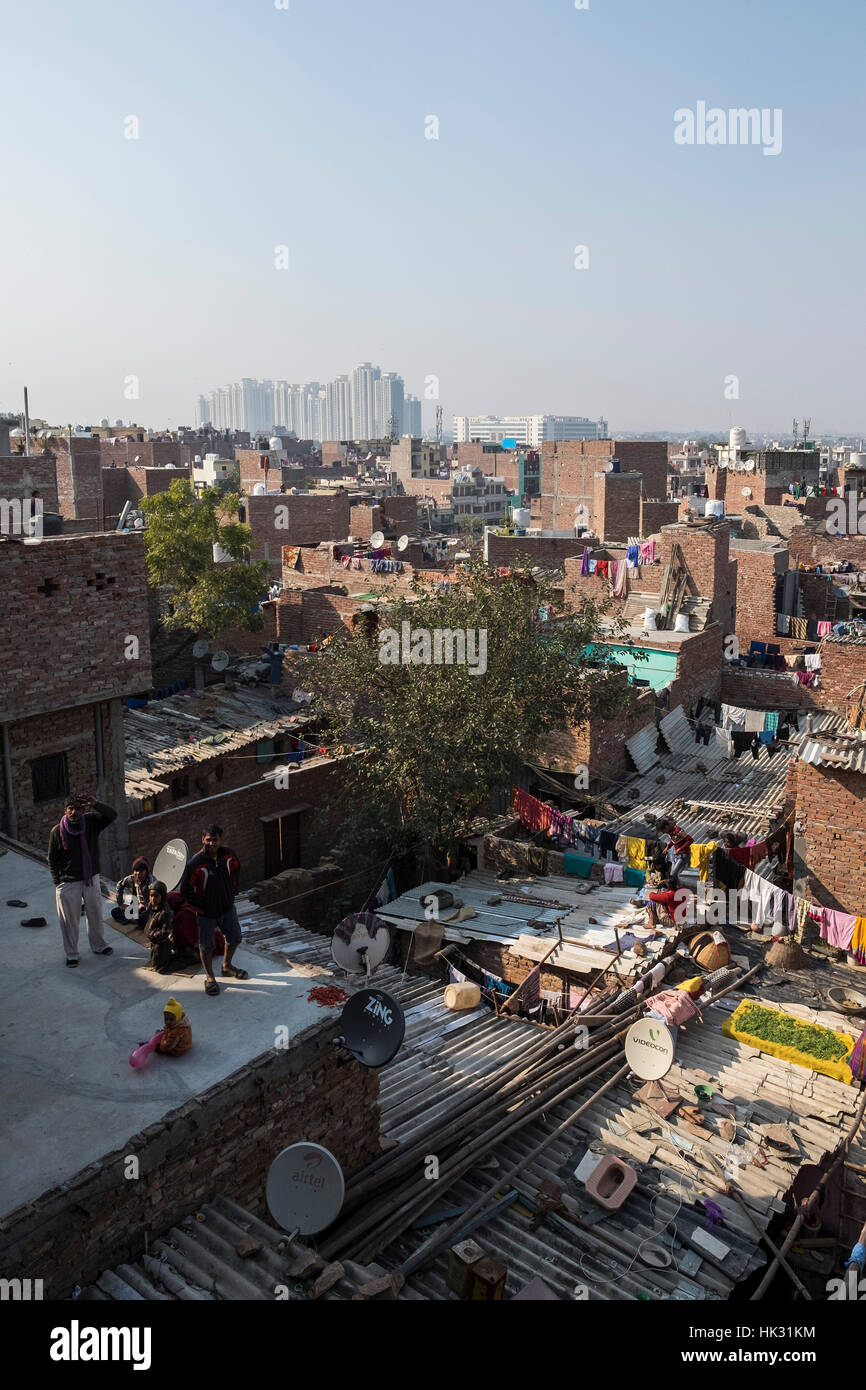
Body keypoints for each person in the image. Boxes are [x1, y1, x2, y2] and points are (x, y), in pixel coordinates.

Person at [179, 824, 249, 996]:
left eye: (215, 840)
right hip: (205, 913)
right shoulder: (195, 864)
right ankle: (210, 977)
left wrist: (232, 892)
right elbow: (185, 890)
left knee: (235, 937)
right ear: (203, 840)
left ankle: (227, 965)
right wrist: (201, 904)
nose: (211, 843)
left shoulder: (229, 855)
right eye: (208, 840)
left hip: (226, 907)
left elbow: (237, 871)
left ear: (221, 840)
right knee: (206, 946)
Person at [48, 794, 116, 967]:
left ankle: (99, 946)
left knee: (95, 913)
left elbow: (112, 815)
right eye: (70, 808)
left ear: (83, 810)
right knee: (70, 920)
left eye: (78, 808)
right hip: (69, 881)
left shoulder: (91, 822)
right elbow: (52, 858)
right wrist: (58, 881)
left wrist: (96, 803)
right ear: (65, 811)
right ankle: (72, 954)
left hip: (90, 878)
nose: (74, 812)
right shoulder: (57, 831)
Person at [166, 889, 226, 960]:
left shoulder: (181, 915)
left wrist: (171, 940)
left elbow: (179, 940)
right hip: (218, 940)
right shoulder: (192, 904)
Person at [141, 881, 175, 974]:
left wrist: (152, 935)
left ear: (162, 897)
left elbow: (166, 931)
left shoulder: (165, 912)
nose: (152, 899)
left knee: (160, 968)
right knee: (155, 962)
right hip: (154, 941)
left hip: (161, 943)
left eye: (156, 896)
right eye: (151, 896)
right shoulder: (152, 906)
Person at [112, 857, 154, 924]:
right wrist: (120, 903)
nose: (138, 873)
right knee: (114, 912)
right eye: (136, 871)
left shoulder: (152, 882)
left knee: (143, 919)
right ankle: (133, 919)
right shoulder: (131, 879)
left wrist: (144, 907)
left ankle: (134, 919)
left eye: (141, 871)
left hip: (148, 908)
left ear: (146, 871)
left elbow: (154, 902)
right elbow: (119, 885)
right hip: (136, 904)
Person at [657, 818, 693, 886]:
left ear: (666, 827)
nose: (664, 833)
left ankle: (678, 889)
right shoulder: (670, 832)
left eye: (663, 830)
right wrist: (668, 847)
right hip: (676, 855)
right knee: (673, 876)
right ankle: (677, 889)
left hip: (683, 855)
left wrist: (680, 849)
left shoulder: (678, 831)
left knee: (673, 874)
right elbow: (674, 840)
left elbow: (690, 840)